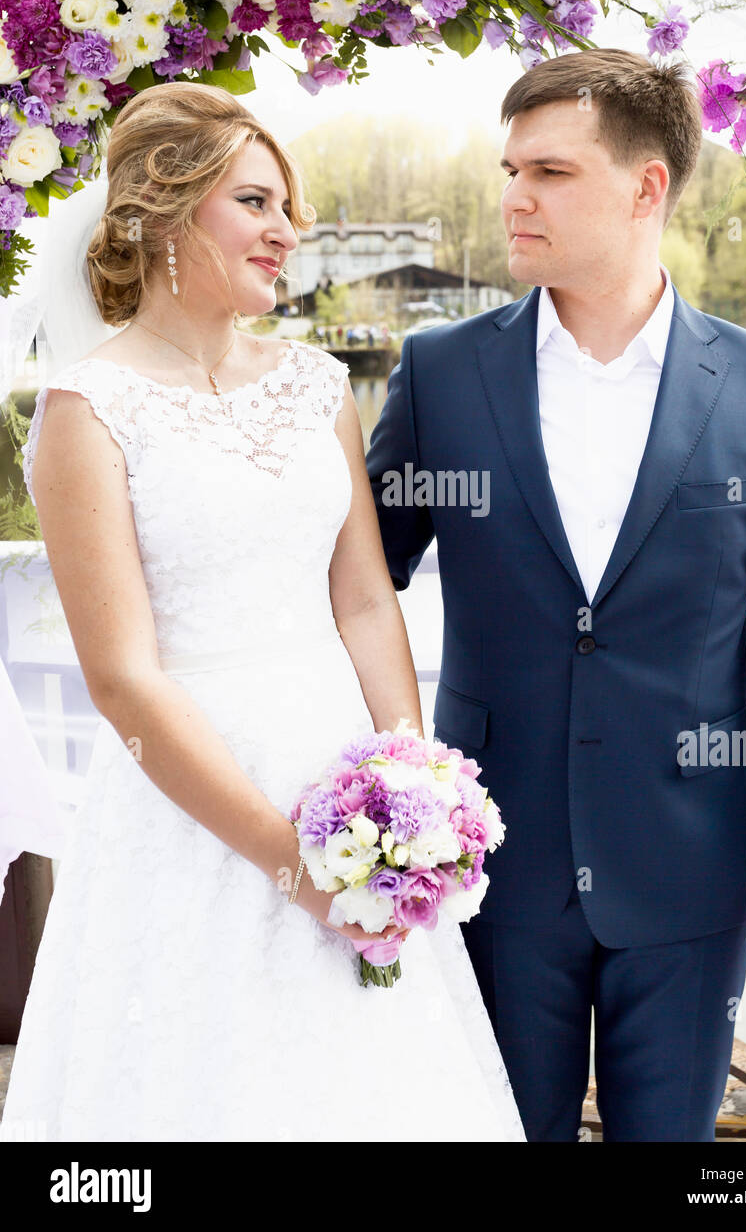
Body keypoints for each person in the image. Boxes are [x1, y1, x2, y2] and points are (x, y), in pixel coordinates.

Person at [0, 82, 524, 1143]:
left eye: (289, 206)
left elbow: (366, 596)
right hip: (190, 804)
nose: (292, 231)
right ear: (160, 211)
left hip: (346, 782)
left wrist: (411, 786)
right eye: (257, 203)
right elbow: (122, 679)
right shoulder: (84, 411)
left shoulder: (315, 383)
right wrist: (292, 863)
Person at [366, 49, 746, 1142]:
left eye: (548, 171)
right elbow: (352, 589)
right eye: (508, 168)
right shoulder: (440, 372)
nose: (511, 197)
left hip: (692, 870)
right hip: (487, 864)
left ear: (644, 187)